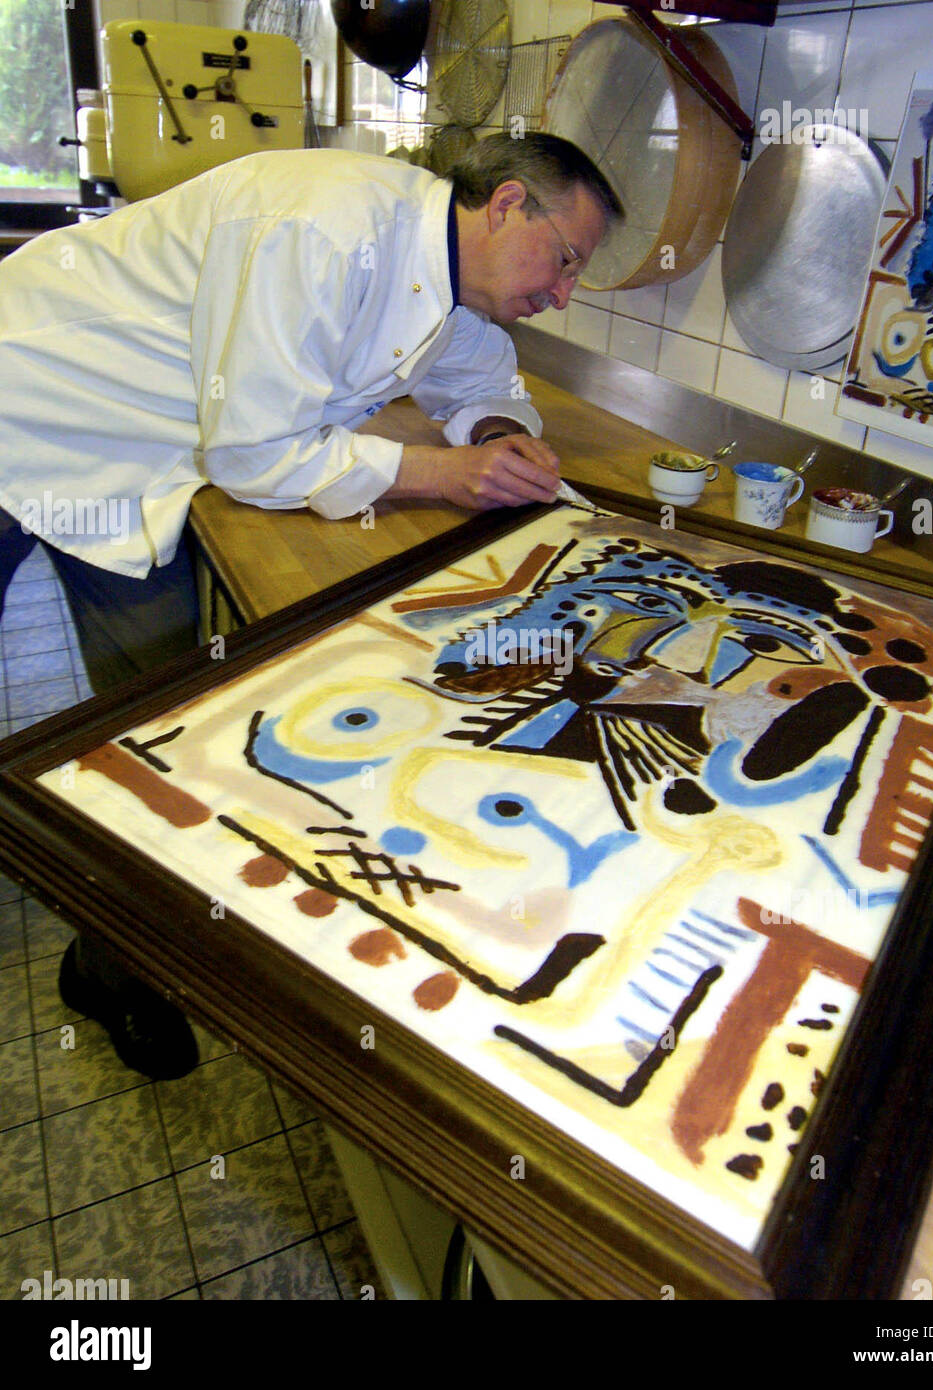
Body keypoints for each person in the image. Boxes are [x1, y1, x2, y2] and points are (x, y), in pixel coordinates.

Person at [0, 132, 623, 1079]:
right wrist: (444, 475)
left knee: (144, 743)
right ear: (505, 206)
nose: (564, 291)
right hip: (27, 393)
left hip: (138, 466)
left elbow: (479, 379)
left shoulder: (446, 276)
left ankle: (109, 967)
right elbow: (254, 457)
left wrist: (496, 433)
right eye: (567, 260)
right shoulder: (327, 226)